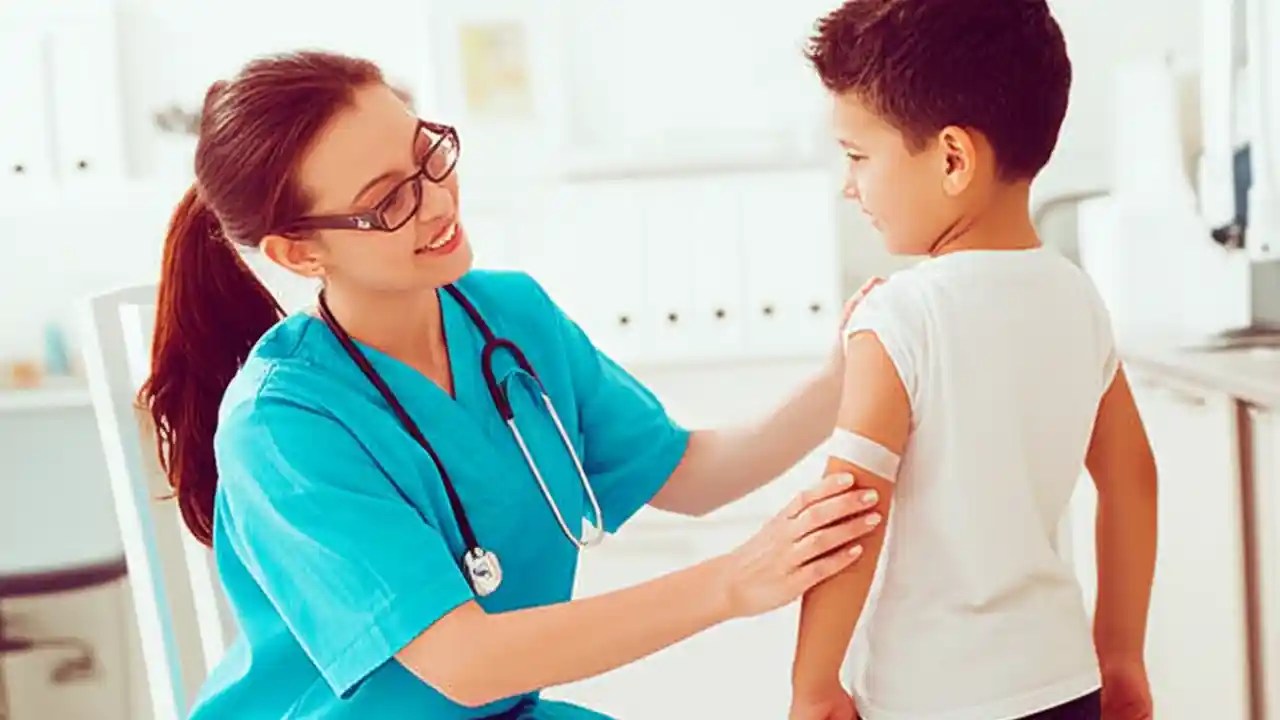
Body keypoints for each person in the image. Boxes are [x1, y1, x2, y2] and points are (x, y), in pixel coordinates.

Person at [139, 50, 885, 719]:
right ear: (300, 254)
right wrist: (732, 584)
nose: (436, 201)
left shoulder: (509, 317)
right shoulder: (282, 425)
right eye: (390, 199)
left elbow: (688, 476)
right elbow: (467, 663)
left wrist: (842, 378)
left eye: (428, 154)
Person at [786, 2, 1159, 719]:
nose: (848, 183)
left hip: (932, 697)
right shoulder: (1076, 297)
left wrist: (813, 684)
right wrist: (1120, 652)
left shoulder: (897, 317)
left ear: (953, 159)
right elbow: (1133, 480)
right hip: (1063, 682)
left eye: (858, 156)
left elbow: (850, 513)